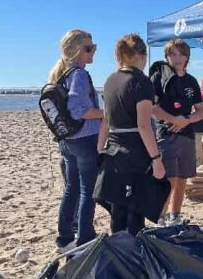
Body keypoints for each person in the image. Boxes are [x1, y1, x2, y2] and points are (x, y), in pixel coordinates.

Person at [94, 34, 167, 236]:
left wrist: (100, 150)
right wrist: (156, 159)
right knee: (136, 210)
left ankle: (119, 255)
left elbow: (106, 121)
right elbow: (143, 125)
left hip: (113, 150)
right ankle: (133, 257)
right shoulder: (141, 82)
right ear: (142, 56)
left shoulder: (110, 81)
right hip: (135, 151)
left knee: (118, 212)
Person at [48, 29, 104, 252]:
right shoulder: (79, 74)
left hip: (68, 140)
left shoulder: (62, 73)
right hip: (84, 138)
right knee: (87, 190)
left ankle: (64, 238)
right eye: (89, 48)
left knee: (71, 188)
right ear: (77, 51)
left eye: (94, 47)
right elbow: (79, 110)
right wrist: (105, 113)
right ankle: (85, 238)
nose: (93, 52)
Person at [151, 38, 203, 226]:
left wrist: (186, 120)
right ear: (166, 57)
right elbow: (152, 107)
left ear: (187, 57)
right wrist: (174, 120)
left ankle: (175, 215)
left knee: (182, 178)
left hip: (187, 135)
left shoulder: (191, 81)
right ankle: (161, 216)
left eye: (181, 53)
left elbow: (200, 111)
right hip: (166, 134)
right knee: (169, 179)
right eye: (172, 54)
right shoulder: (159, 77)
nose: (177, 58)